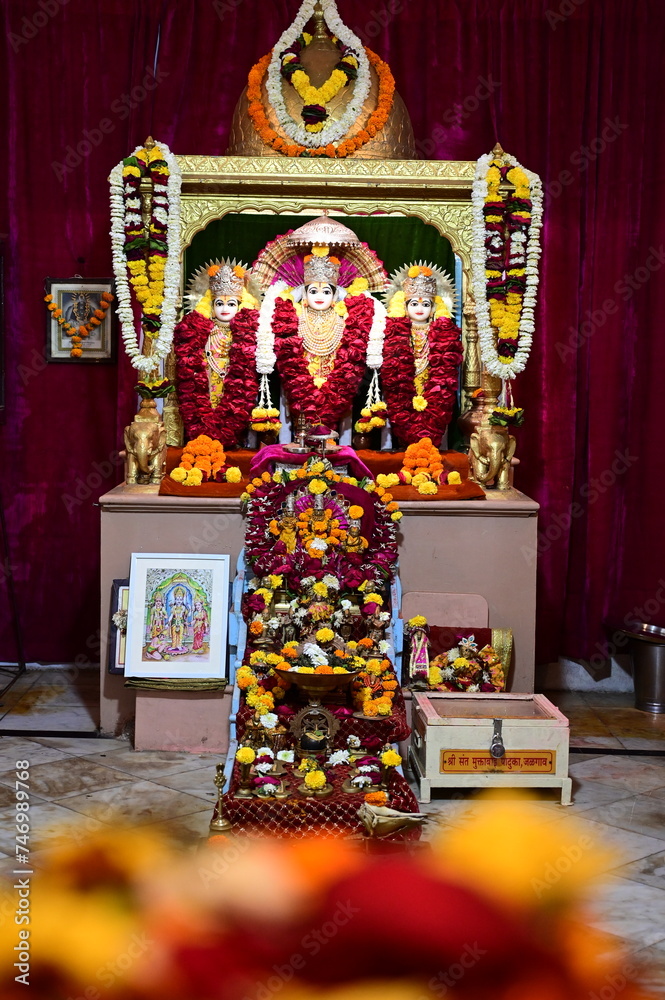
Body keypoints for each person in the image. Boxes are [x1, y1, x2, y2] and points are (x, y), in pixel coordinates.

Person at [253, 215, 387, 429]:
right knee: (301, 419)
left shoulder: (345, 318)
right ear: (304, 294)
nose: (319, 296)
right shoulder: (292, 317)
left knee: (336, 423)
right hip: (299, 385)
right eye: (313, 290)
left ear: (335, 295)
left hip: (337, 384)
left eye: (326, 291)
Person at [173, 260, 260, 447]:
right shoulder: (202, 329)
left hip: (234, 383)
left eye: (231, 304)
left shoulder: (248, 333)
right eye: (219, 303)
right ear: (211, 306)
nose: (225, 308)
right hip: (208, 379)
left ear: (240, 305)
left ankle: (235, 440)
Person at [381, 263, 463, 446]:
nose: (420, 308)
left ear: (434, 308)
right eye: (414, 303)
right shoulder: (394, 332)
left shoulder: (443, 333)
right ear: (404, 305)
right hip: (404, 384)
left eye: (425, 304)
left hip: (431, 382)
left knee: (437, 407)